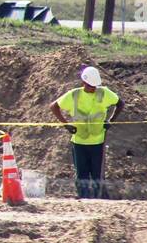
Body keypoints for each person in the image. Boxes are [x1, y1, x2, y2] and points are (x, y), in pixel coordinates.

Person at [51, 66, 122, 199]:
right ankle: (84, 199)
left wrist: (111, 120)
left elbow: (120, 104)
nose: (93, 89)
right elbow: (54, 106)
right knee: (81, 174)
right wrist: (66, 125)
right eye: (90, 86)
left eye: (95, 86)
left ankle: (98, 199)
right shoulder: (74, 95)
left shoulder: (104, 93)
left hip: (98, 141)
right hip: (79, 141)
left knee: (97, 174)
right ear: (84, 82)